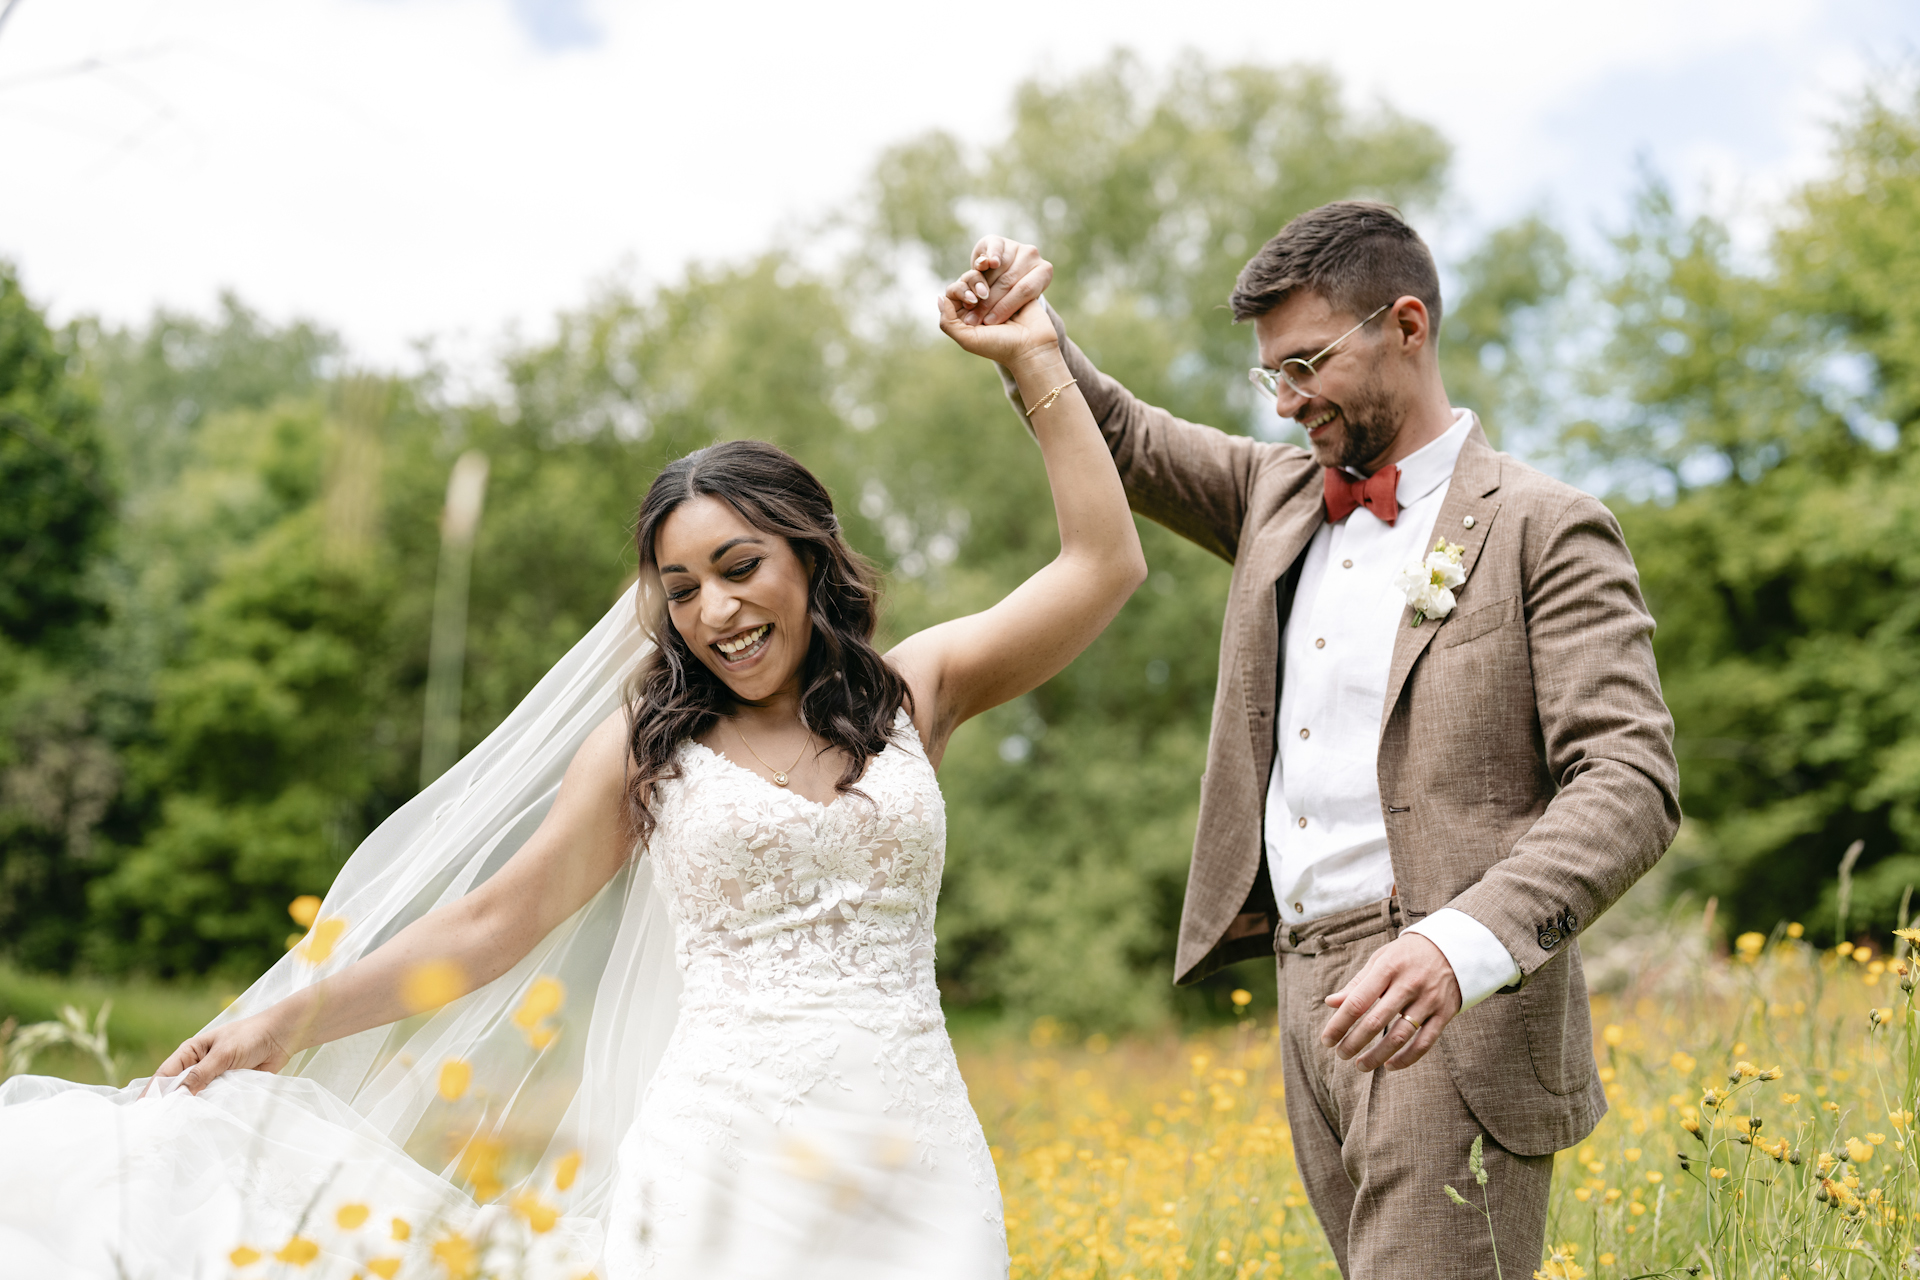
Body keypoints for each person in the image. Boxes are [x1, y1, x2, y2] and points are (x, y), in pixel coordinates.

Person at [0, 289, 1145, 1279]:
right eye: (682, 586)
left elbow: (1105, 561)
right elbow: (498, 920)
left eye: (742, 567)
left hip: (917, 1147)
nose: (716, 612)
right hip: (721, 1155)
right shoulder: (649, 744)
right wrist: (288, 1017)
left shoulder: (916, 691)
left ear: (809, 552)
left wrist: (1032, 355)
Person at [940, 203, 1679, 1278]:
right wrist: (1030, 336)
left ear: (1409, 324)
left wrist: (1455, 946)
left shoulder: (1546, 525)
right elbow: (1129, 437)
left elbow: (1631, 780)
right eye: (1269, 378)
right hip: (1307, 999)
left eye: (1306, 364)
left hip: (1452, 1003)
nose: (1287, 401)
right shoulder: (1275, 497)